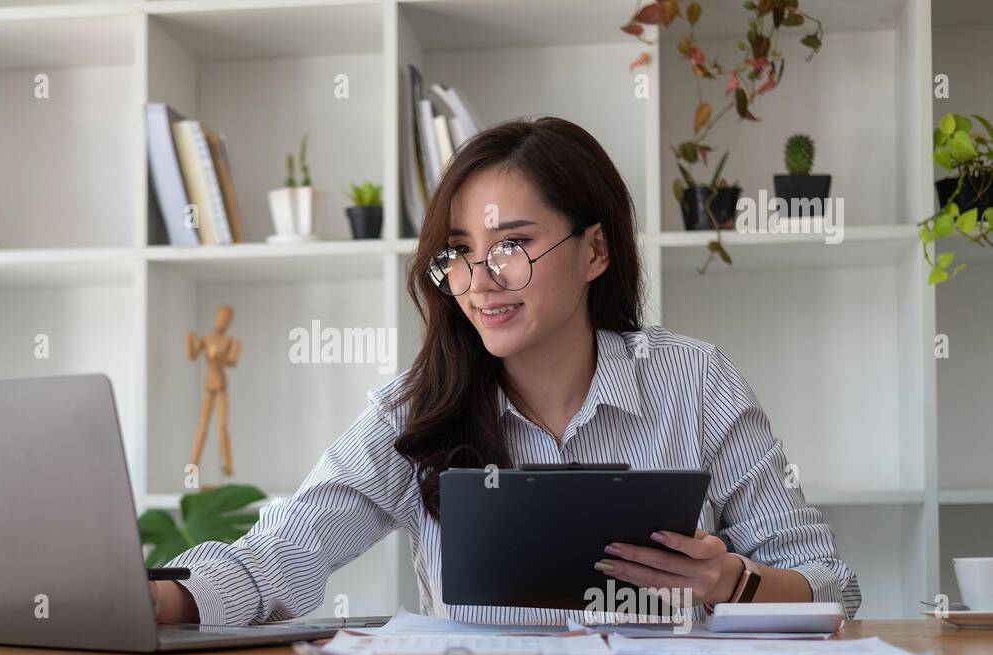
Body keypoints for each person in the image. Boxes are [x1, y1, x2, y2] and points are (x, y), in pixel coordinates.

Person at [149, 116, 861, 627]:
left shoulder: (695, 382)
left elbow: (830, 584)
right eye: (460, 251)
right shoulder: (416, 410)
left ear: (595, 252)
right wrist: (155, 597)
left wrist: (730, 580)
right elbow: (282, 551)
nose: (480, 280)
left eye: (512, 245)